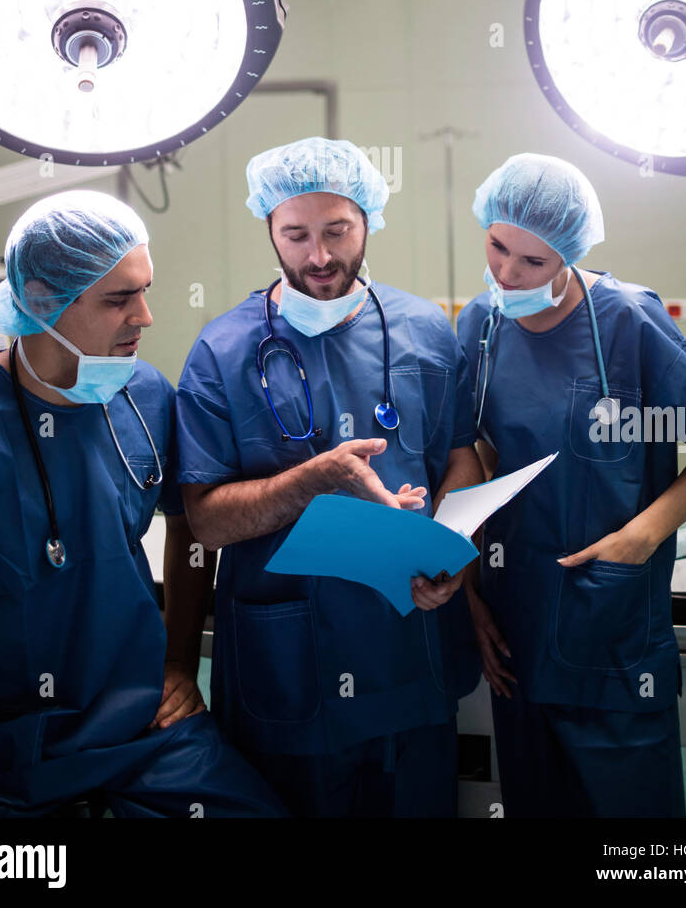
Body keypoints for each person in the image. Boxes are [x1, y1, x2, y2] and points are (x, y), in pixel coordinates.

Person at [0, 190, 285, 818]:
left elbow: (189, 524)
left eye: (144, 291)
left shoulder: (144, 394)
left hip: (139, 729)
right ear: (39, 301)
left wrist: (177, 658)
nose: (144, 317)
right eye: (117, 300)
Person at [176, 137, 483, 818]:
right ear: (270, 230)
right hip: (290, 665)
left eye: (337, 230)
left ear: (369, 218)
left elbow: (460, 454)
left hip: (409, 647)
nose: (318, 257)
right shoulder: (221, 352)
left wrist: (452, 548)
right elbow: (205, 520)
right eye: (296, 235)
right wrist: (310, 481)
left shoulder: (427, 331)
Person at [456, 152, 686, 819]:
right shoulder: (480, 325)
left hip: (613, 629)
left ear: (568, 252)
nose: (506, 273)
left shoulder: (628, 322)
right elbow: (475, 450)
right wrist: (469, 587)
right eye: (498, 246)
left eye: (532, 262)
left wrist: (640, 537)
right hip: (517, 620)